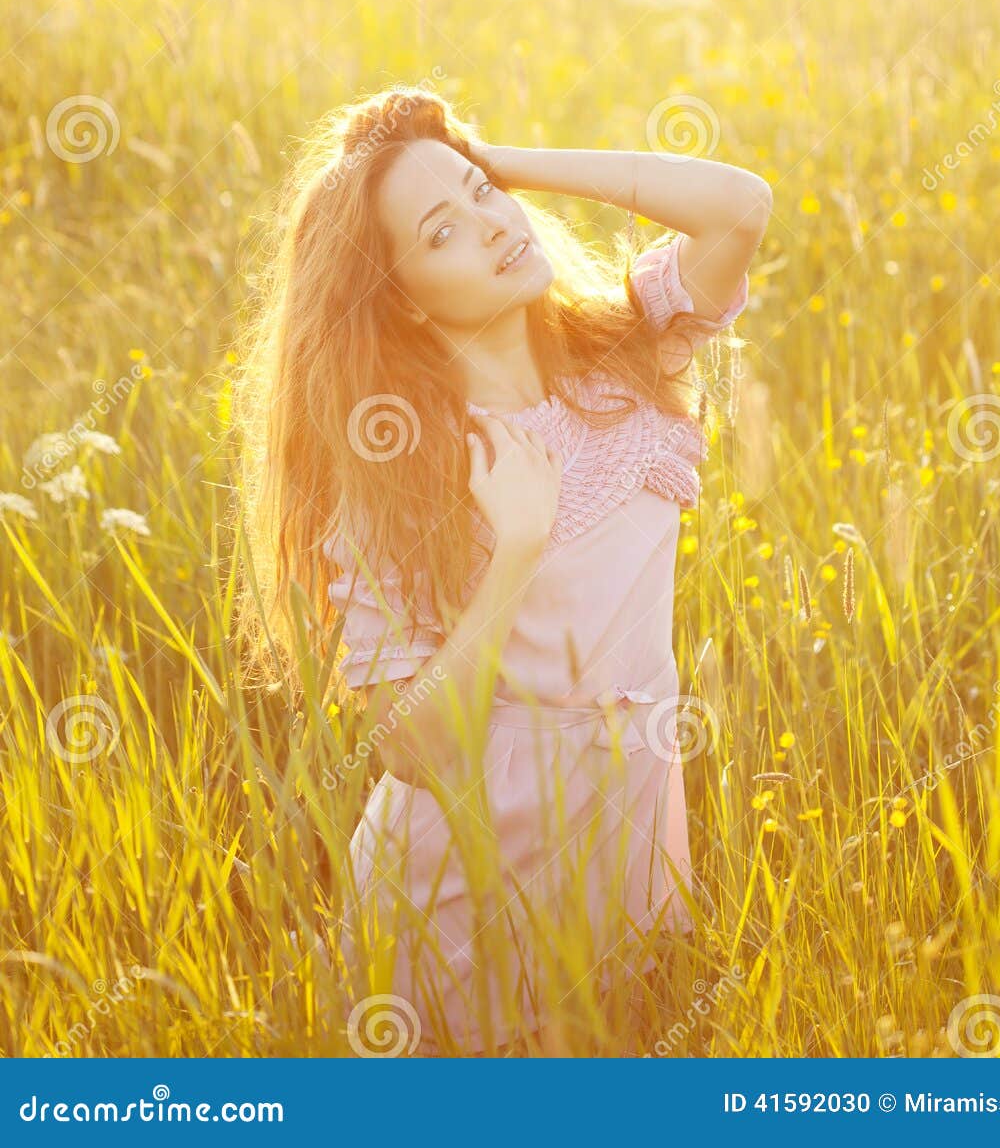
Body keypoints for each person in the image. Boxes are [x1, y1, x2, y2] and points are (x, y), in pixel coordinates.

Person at [234, 85, 771, 1056]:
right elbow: (411, 750)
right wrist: (515, 546)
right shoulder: (398, 462)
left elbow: (739, 206)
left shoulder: (627, 352)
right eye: (440, 233)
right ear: (401, 294)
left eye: (484, 196)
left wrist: (489, 162)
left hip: (627, 837)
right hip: (465, 886)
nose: (489, 226)